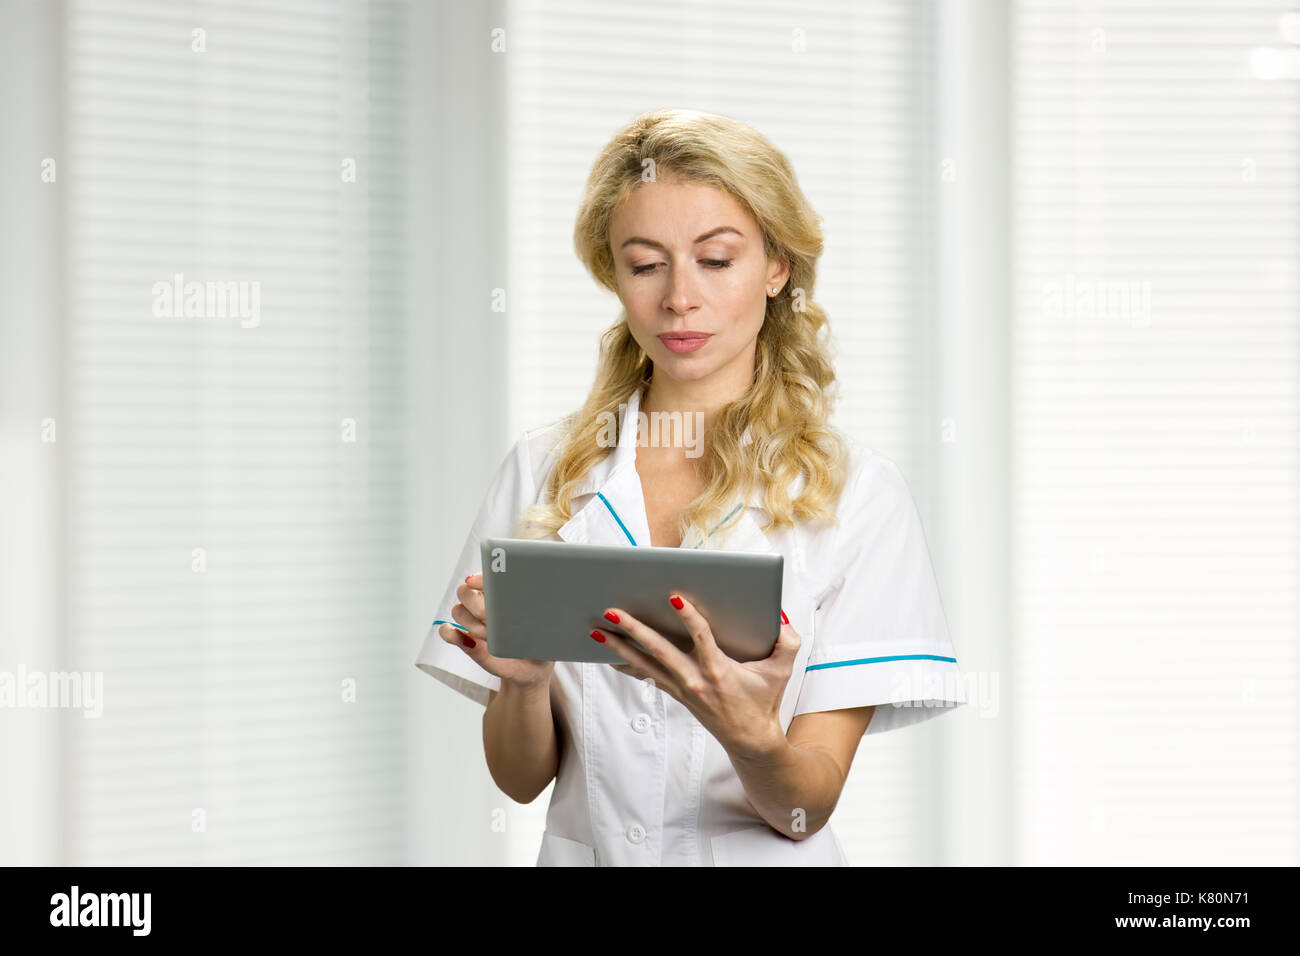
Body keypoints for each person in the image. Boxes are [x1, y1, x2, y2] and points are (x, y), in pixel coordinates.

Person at [415, 108, 966, 866]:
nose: (679, 297)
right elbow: (520, 781)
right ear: (617, 275)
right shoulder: (546, 470)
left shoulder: (854, 492)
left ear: (776, 267)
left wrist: (750, 733)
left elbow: (804, 806)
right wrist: (524, 681)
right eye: (645, 264)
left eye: (716, 260)